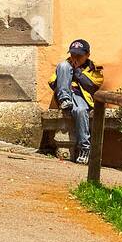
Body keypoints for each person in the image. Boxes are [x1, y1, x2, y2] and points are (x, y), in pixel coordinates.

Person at [48, 38, 104, 166]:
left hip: (81, 98)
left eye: (79, 55)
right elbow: (52, 83)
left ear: (87, 55)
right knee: (63, 66)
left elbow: (93, 86)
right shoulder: (64, 65)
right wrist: (66, 74)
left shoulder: (94, 69)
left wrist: (77, 71)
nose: (75, 58)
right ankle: (65, 99)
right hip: (65, 95)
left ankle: (84, 148)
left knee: (81, 111)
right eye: (73, 54)